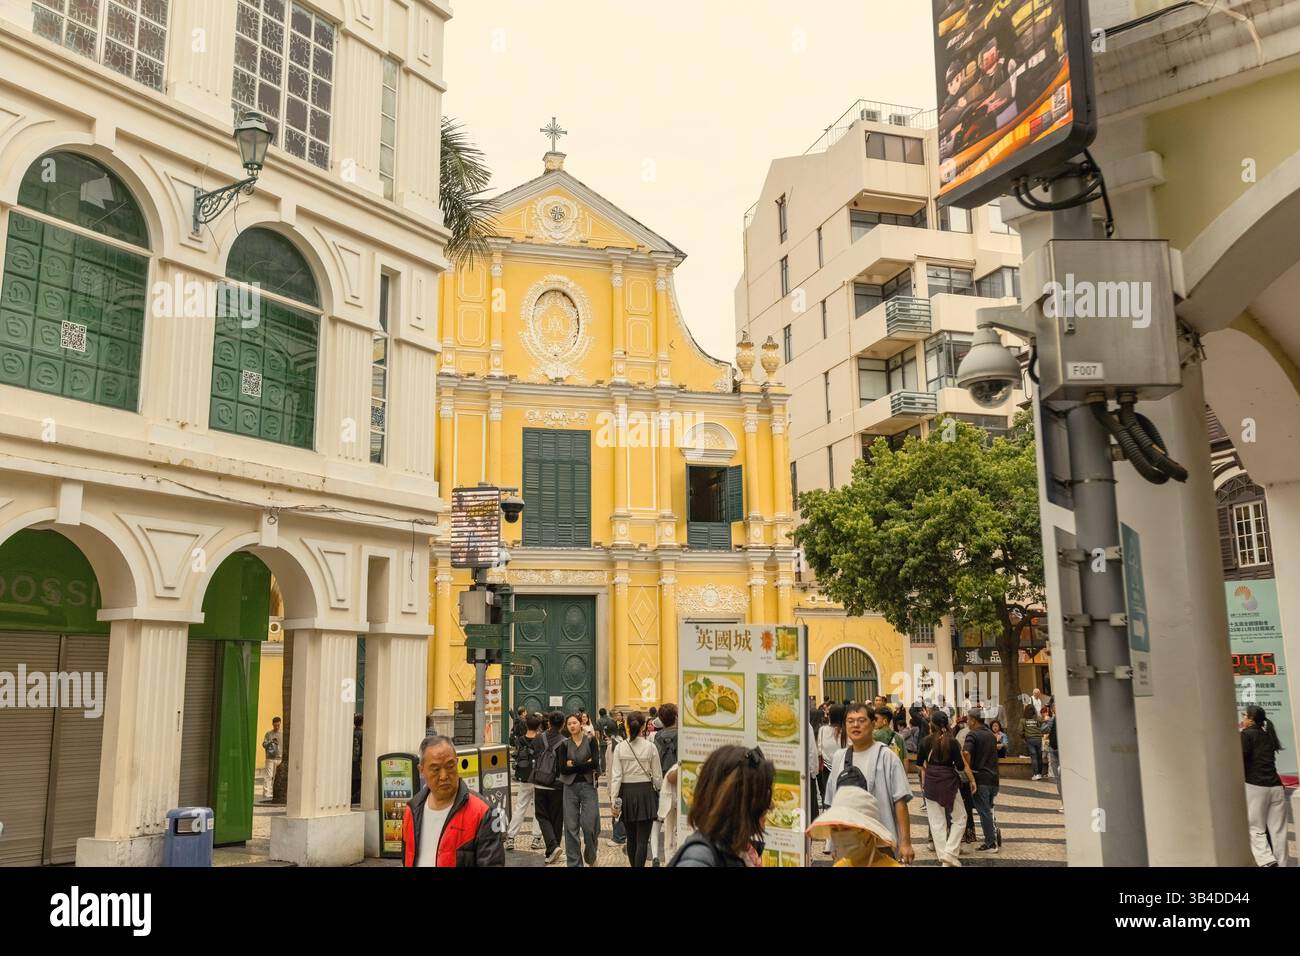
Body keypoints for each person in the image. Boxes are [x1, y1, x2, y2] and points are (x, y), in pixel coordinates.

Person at [822, 703, 914, 863]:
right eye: (850, 721)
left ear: (873, 724)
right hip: (848, 842)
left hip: (881, 840)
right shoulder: (839, 757)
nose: (855, 725)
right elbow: (832, 803)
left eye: (861, 720)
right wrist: (833, 842)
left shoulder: (887, 756)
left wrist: (905, 842)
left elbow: (900, 801)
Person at [403, 734, 505, 867]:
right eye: (436, 769)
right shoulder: (412, 810)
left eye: (450, 766)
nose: (444, 776)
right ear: (421, 770)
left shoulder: (485, 812)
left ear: (457, 763)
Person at [668, 745, 773, 867]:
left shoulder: (740, 850)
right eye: (761, 795)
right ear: (735, 802)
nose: (770, 805)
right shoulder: (699, 859)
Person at [918, 710, 977, 866]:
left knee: (936, 822)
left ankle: (944, 856)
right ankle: (949, 854)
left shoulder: (925, 741)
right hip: (949, 782)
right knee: (960, 817)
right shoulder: (952, 742)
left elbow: (920, 764)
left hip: (931, 782)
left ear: (932, 724)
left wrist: (927, 776)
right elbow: (959, 765)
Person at [610, 710, 663, 867]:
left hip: (626, 793)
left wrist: (614, 799)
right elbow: (658, 776)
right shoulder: (651, 747)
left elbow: (616, 776)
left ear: (627, 726)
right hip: (645, 793)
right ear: (642, 727)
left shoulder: (620, 747)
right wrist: (659, 791)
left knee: (631, 838)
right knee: (642, 840)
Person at [1241, 705, 1291, 866]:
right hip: (1276, 787)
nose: (1242, 718)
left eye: (1244, 715)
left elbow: (1241, 758)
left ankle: (1267, 861)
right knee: (1279, 831)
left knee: (1255, 828)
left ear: (1250, 719)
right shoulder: (1267, 735)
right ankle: (1282, 864)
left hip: (1256, 787)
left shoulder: (1246, 735)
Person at [807, 786, 903, 868]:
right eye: (835, 829)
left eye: (846, 829)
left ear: (868, 833)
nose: (839, 836)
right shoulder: (840, 865)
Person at [559, 713, 601, 867]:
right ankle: (574, 863)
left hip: (589, 786)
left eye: (574, 722)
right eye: (569, 723)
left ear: (581, 724)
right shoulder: (564, 744)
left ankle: (590, 856)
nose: (571, 726)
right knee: (571, 827)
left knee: (590, 825)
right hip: (569, 788)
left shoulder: (591, 740)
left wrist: (574, 765)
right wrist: (584, 764)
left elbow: (595, 763)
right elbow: (562, 769)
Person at [531, 711, 567, 864]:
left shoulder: (539, 738)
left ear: (549, 723)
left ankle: (551, 850)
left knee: (542, 816)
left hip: (539, 783)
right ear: (563, 724)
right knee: (556, 819)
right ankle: (554, 846)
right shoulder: (565, 742)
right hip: (557, 786)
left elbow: (534, 755)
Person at [964, 710, 1002, 853]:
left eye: (968, 719)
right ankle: (991, 836)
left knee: (984, 811)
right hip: (994, 779)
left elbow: (966, 752)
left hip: (980, 779)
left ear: (973, 720)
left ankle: (990, 843)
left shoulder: (972, 734)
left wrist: (967, 768)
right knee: (989, 809)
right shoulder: (991, 735)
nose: (967, 722)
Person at [506, 713, 543, 851]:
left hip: (525, 776)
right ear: (539, 726)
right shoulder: (541, 739)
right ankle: (536, 838)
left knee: (520, 806)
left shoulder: (520, 740)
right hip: (539, 777)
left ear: (526, 725)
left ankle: (511, 837)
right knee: (538, 809)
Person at [650, 703, 680, 866]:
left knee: (662, 823)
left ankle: (660, 857)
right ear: (676, 716)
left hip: (663, 783)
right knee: (678, 826)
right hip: (679, 782)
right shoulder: (683, 735)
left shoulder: (657, 737)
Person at [817, 704, 846, 804]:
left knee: (829, 797)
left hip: (826, 768)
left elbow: (819, 750)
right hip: (844, 767)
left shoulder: (822, 730)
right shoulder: (846, 732)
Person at [873, 705, 910, 773]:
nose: (874, 721)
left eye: (876, 719)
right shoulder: (899, 737)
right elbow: (905, 759)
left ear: (885, 721)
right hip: (897, 773)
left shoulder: (873, 736)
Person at [1019, 702, 1044, 780]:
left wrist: (1023, 736)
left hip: (1030, 739)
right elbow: (1042, 727)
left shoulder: (1023, 720)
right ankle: (1040, 773)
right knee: (1039, 756)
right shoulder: (1038, 719)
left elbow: (1019, 731)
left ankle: (1036, 774)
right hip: (1039, 739)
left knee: (1034, 756)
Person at [261, 717, 282, 800]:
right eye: (275, 725)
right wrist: (271, 741)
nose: (276, 727)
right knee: (268, 775)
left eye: (278, 725)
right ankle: (266, 792)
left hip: (279, 758)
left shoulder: (282, 734)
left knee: (277, 777)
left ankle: (274, 792)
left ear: (280, 724)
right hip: (270, 757)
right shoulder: (268, 734)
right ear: (272, 724)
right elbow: (263, 744)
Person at [351, 713, 364, 805]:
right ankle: (354, 798)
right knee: (357, 781)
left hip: (351, 760)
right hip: (357, 760)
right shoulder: (362, 734)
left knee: (353, 780)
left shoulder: (351, 733)